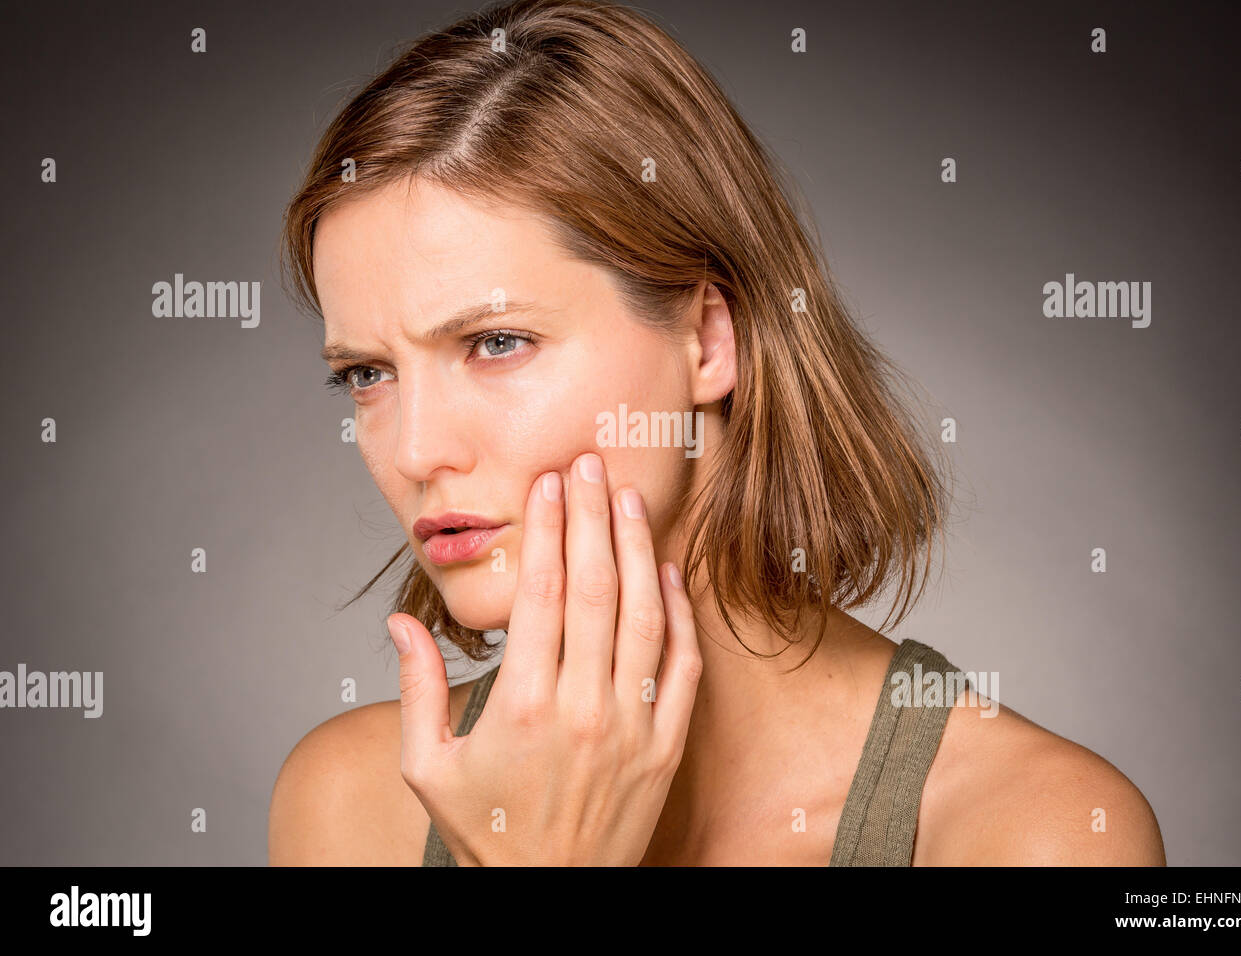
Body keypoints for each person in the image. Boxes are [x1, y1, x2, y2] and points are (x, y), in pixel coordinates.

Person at [268, 0, 1164, 865]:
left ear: (707, 340)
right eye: (367, 374)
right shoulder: (353, 804)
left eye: (497, 343)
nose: (416, 451)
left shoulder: (1038, 831)